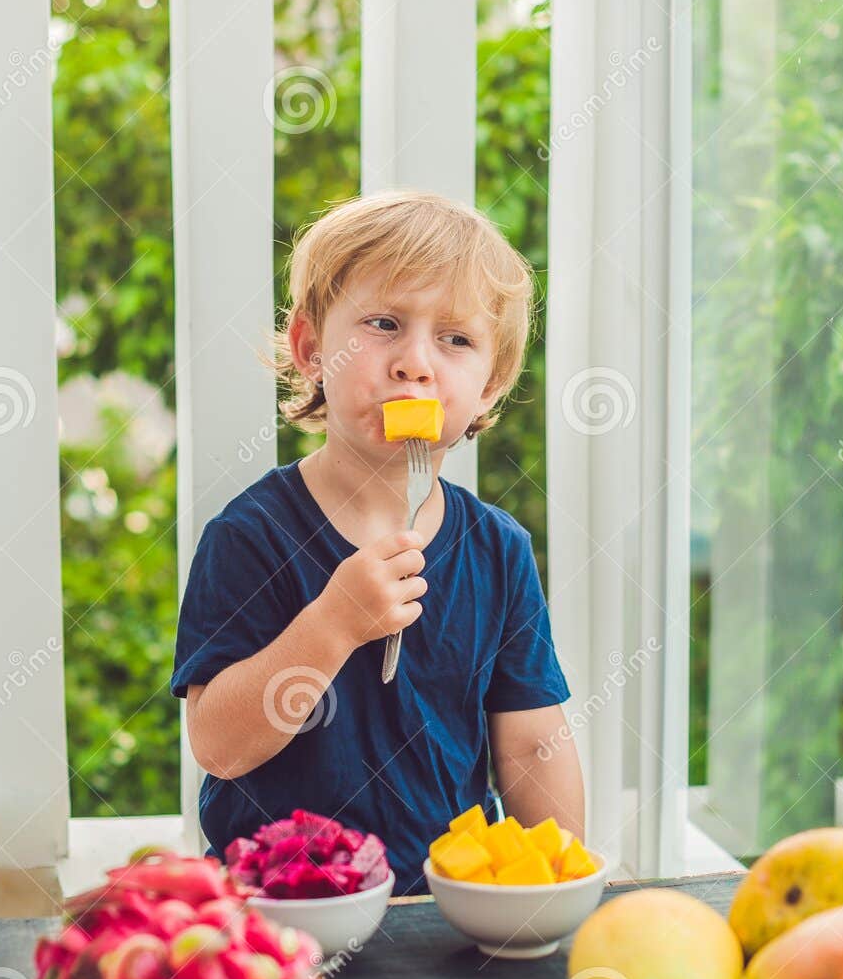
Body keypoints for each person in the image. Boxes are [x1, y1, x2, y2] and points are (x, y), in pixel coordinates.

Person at [171, 190, 584, 893]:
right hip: (281, 907)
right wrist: (332, 624)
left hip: (444, 904)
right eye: (384, 324)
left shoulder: (499, 550)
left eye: (456, 339)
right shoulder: (249, 535)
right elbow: (219, 745)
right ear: (310, 350)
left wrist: (564, 880)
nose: (415, 363)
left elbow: (531, 742)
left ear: (492, 384)